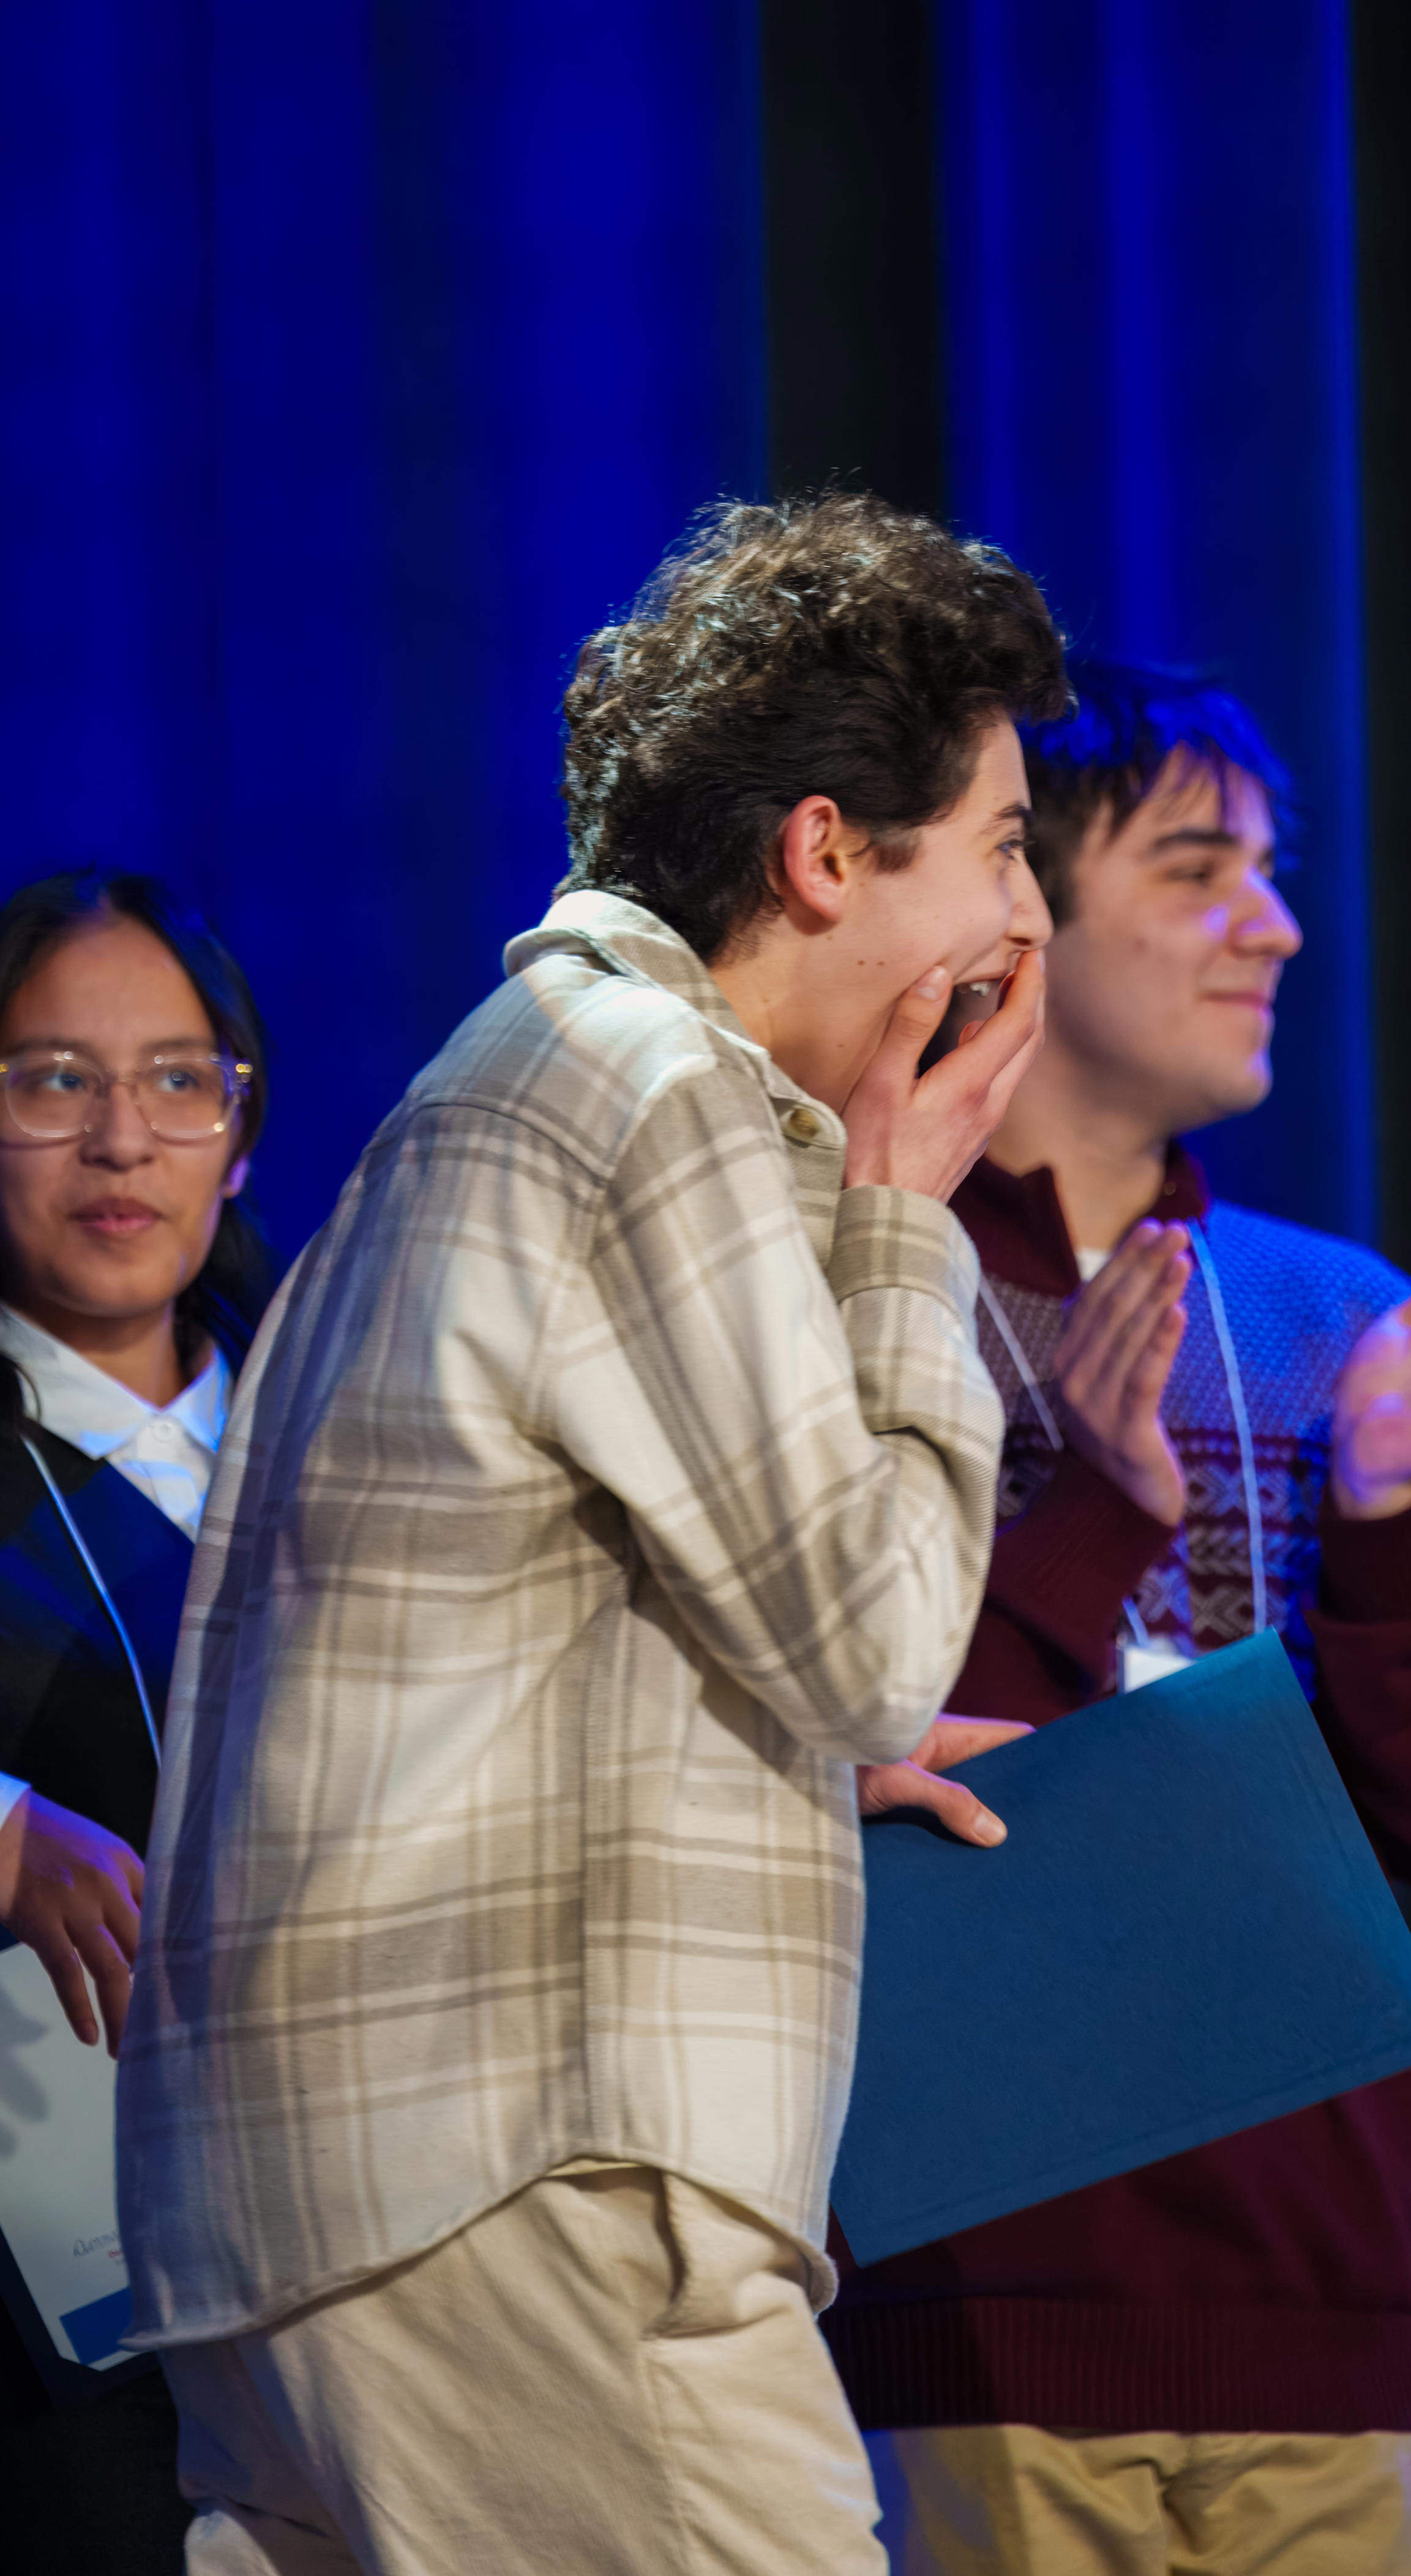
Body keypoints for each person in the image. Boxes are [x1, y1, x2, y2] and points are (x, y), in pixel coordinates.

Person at [115, 493, 1066, 2575]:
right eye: (1001, 846)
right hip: (520, 2189)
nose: (1028, 927)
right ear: (825, 853)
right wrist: (903, 1212)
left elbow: (554, 1608)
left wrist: (786, 1762)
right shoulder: (650, 1087)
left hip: (342, 2209)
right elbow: (878, 1634)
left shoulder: (527, 1076)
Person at [826, 665, 1411, 2576]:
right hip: (981, 2269)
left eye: (1271, 872)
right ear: (1025, 914)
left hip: (1325, 2286)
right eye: (1197, 870)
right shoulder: (857, 1286)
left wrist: (1390, 1504)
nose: (1273, 925)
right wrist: (1095, 1510)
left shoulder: (1331, 1312)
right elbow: (846, 1737)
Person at [0, 871, 274, 2576]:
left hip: (373, 2284)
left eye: (180, 1080)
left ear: (241, 1135)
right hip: (58, 2355)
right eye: (48, 1079)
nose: (122, 1139)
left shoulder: (367, 1437)